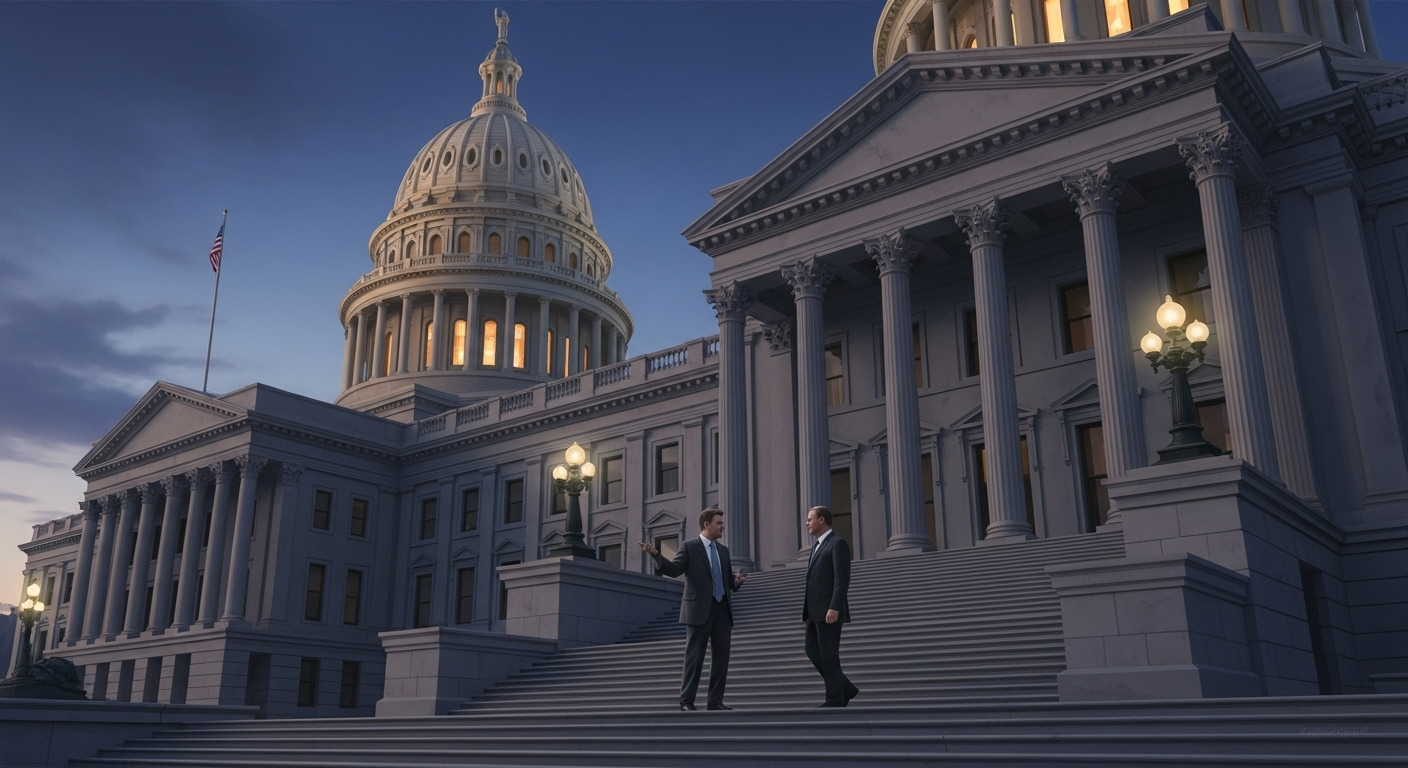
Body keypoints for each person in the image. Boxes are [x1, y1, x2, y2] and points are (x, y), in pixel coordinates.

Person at [639, 507, 745, 711]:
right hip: (698, 610)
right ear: (707, 525)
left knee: (721, 659)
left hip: (722, 609)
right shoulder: (689, 546)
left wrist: (736, 581)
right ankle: (687, 701)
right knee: (694, 658)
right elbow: (674, 569)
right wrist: (656, 555)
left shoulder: (723, 551)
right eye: (719, 523)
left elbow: (727, 581)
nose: (723, 526)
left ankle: (715, 701)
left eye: (722, 523)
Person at [803, 505, 858, 707]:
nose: (807, 523)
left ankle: (835, 698)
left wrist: (835, 607)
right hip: (813, 611)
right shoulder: (816, 546)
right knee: (811, 650)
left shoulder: (837, 544)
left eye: (810, 519)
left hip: (828, 611)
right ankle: (846, 688)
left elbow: (841, 579)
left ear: (822, 520)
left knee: (829, 655)